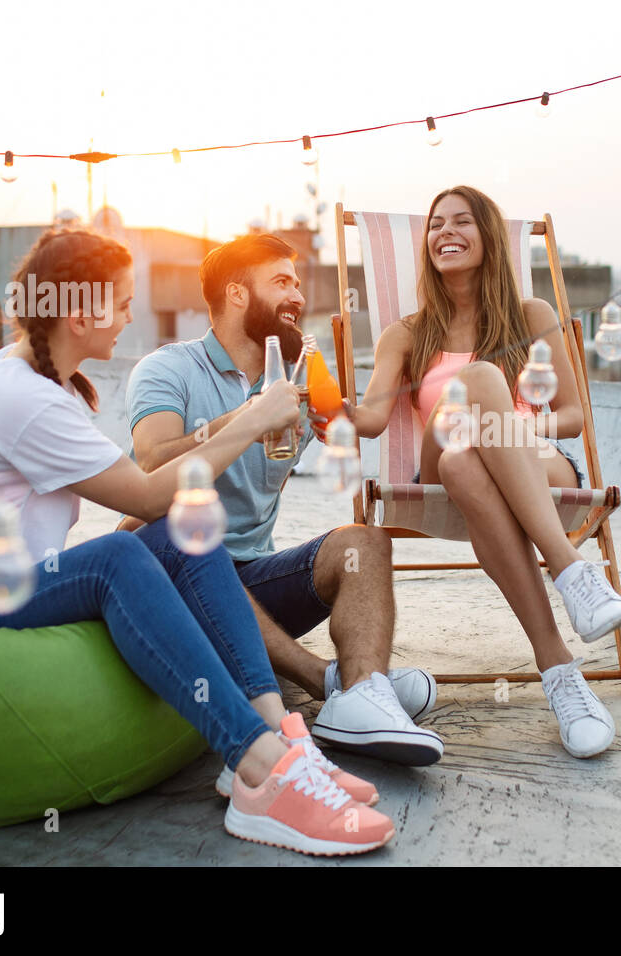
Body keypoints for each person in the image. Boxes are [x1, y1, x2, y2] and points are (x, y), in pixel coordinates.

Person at [0, 226, 394, 856]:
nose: (132, 313)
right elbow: (150, 490)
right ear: (79, 312)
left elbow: (163, 503)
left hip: (8, 582)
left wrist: (258, 413)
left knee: (182, 529)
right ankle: (259, 767)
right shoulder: (21, 395)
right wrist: (255, 417)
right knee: (122, 551)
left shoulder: (50, 386)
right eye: (123, 301)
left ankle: (277, 741)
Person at [338, 185, 621, 759]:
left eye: (462, 222)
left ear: (489, 237)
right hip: (436, 458)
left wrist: (519, 433)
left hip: (527, 462)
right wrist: (339, 410)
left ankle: (560, 674)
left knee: (466, 463)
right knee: (473, 392)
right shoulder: (406, 332)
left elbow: (572, 416)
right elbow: (373, 417)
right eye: (436, 225)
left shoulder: (532, 315)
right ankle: (573, 573)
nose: (445, 232)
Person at [125, 233, 442, 767]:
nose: (296, 294)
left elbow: (359, 425)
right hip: (176, 578)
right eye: (280, 282)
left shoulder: (300, 378)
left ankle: (361, 694)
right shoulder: (168, 369)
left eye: (296, 283)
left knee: (363, 543)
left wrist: (421, 370)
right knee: (196, 548)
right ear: (237, 294)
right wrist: (248, 419)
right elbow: (154, 461)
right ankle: (330, 681)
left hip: (255, 584)